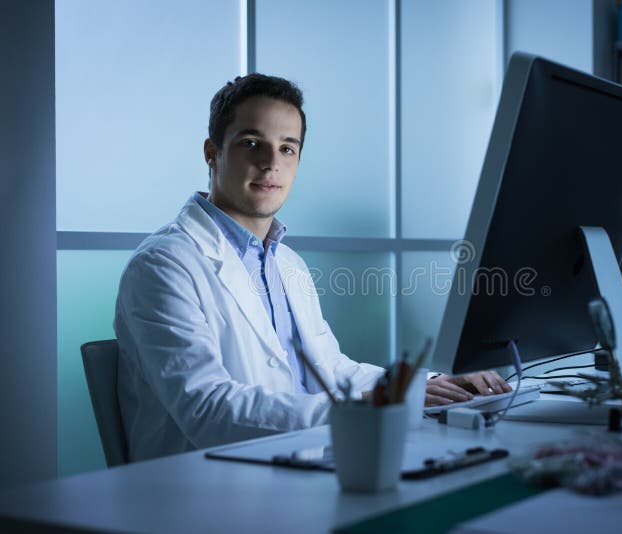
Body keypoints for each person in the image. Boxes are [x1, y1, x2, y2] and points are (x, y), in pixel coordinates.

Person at [114, 74, 511, 462]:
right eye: (252, 143)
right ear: (212, 152)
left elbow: (331, 369)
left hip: (300, 468)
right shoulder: (164, 265)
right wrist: (369, 407)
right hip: (207, 491)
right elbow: (207, 409)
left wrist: (423, 387)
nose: (272, 163)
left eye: (287, 148)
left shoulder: (286, 262)